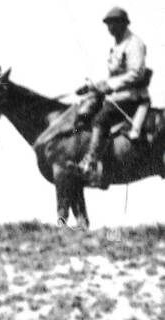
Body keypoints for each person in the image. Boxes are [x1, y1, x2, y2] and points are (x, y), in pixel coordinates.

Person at [78, 7, 150, 189]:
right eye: (108, 24)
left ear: (123, 24)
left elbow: (136, 74)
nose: (110, 27)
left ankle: (91, 162)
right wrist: (93, 86)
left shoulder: (135, 44)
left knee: (101, 119)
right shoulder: (117, 45)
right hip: (118, 95)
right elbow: (112, 77)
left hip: (133, 96)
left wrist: (109, 86)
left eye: (113, 23)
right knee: (85, 109)